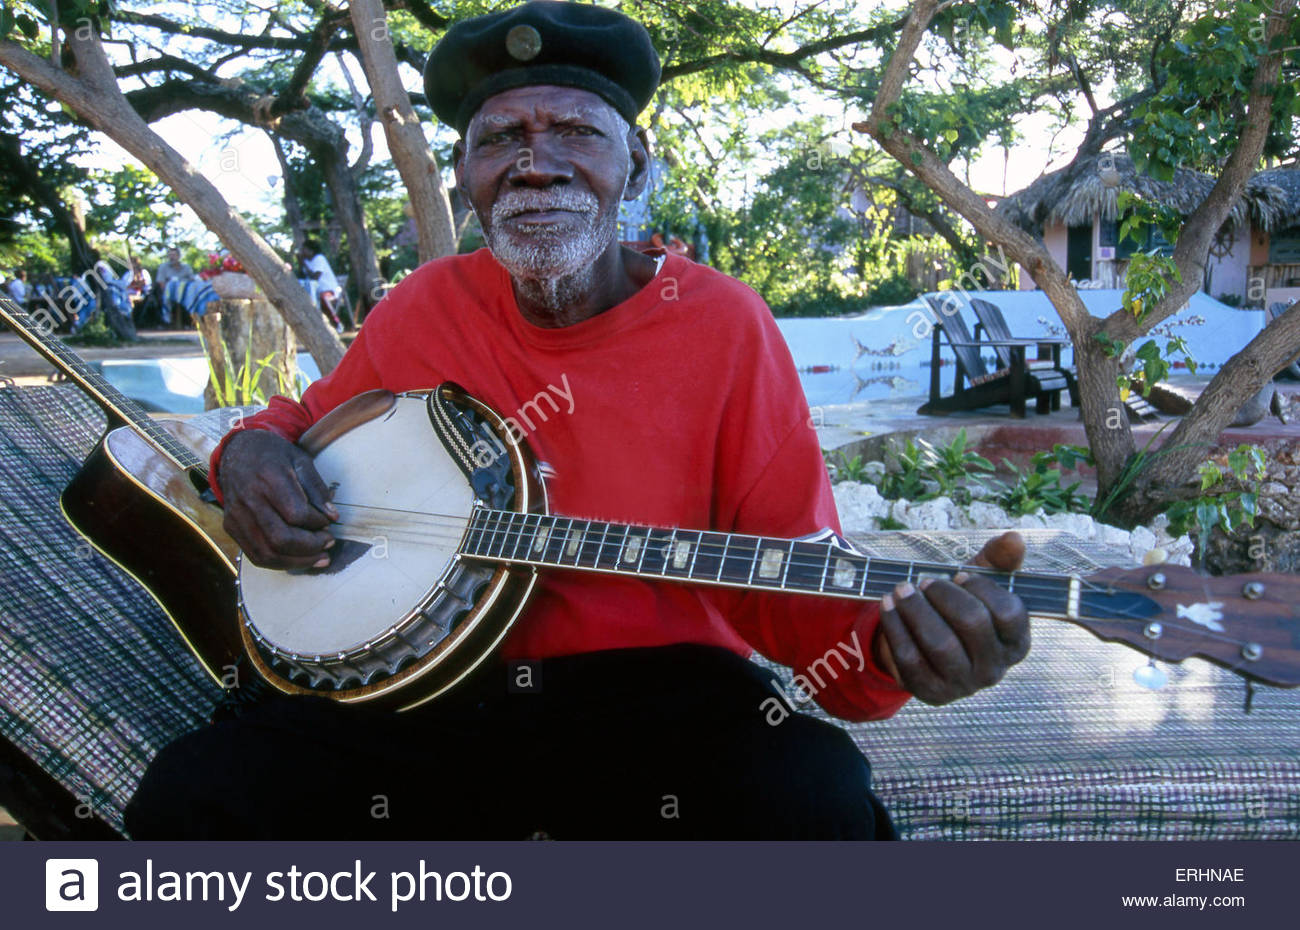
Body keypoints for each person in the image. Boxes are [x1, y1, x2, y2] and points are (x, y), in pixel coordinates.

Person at [125, 0, 1029, 840]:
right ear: (465, 174)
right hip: (415, 696)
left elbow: (792, 591)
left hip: (658, 701)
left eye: (575, 132)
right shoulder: (424, 305)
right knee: (197, 799)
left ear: (634, 164)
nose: (537, 162)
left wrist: (894, 650)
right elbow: (306, 423)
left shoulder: (721, 324)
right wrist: (250, 452)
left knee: (808, 804)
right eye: (503, 138)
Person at [298, 238, 350, 332]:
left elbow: (315, 278)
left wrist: (304, 265)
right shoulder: (306, 261)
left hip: (329, 290)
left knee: (322, 298)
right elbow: (302, 277)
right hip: (314, 291)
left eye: (304, 249)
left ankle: (335, 322)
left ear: (311, 250)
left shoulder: (319, 259)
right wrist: (301, 264)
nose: (302, 252)